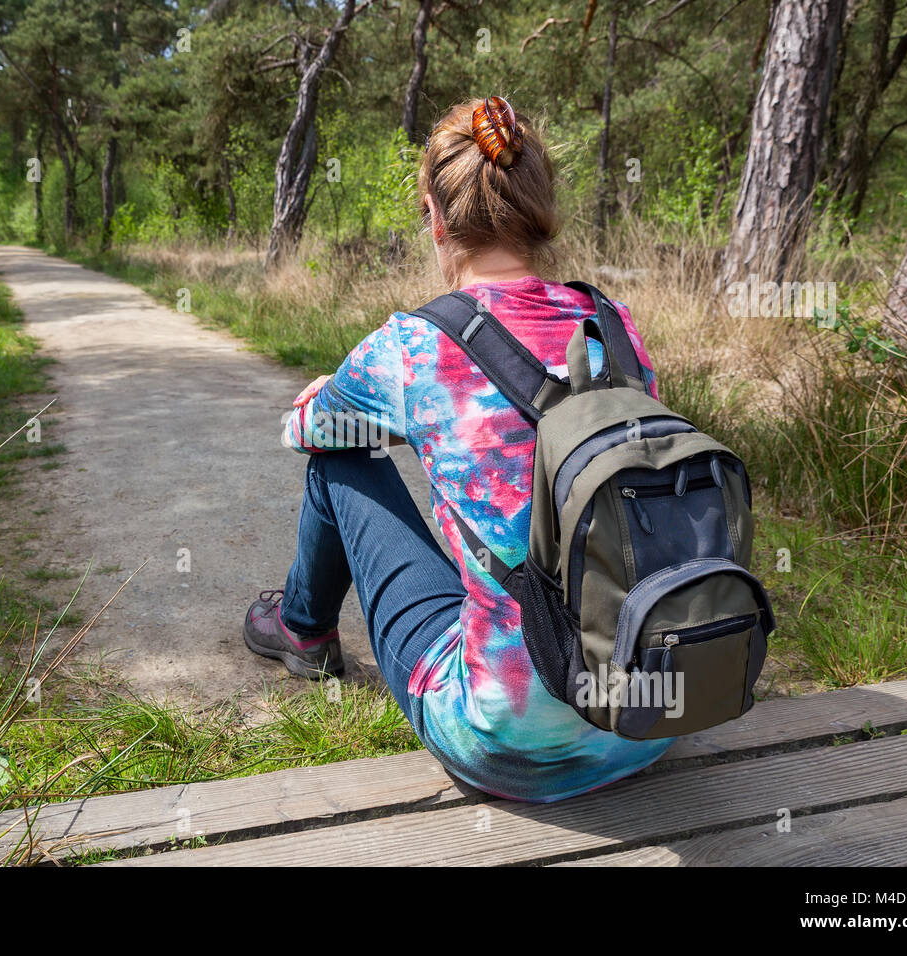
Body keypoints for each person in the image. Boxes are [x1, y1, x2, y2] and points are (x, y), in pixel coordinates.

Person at [242, 96, 674, 802]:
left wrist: (350, 404)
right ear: (539, 208)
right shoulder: (611, 325)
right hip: (648, 717)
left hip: (504, 740)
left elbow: (303, 433)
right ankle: (303, 629)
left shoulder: (416, 348)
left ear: (434, 213)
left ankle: (302, 631)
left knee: (341, 459)